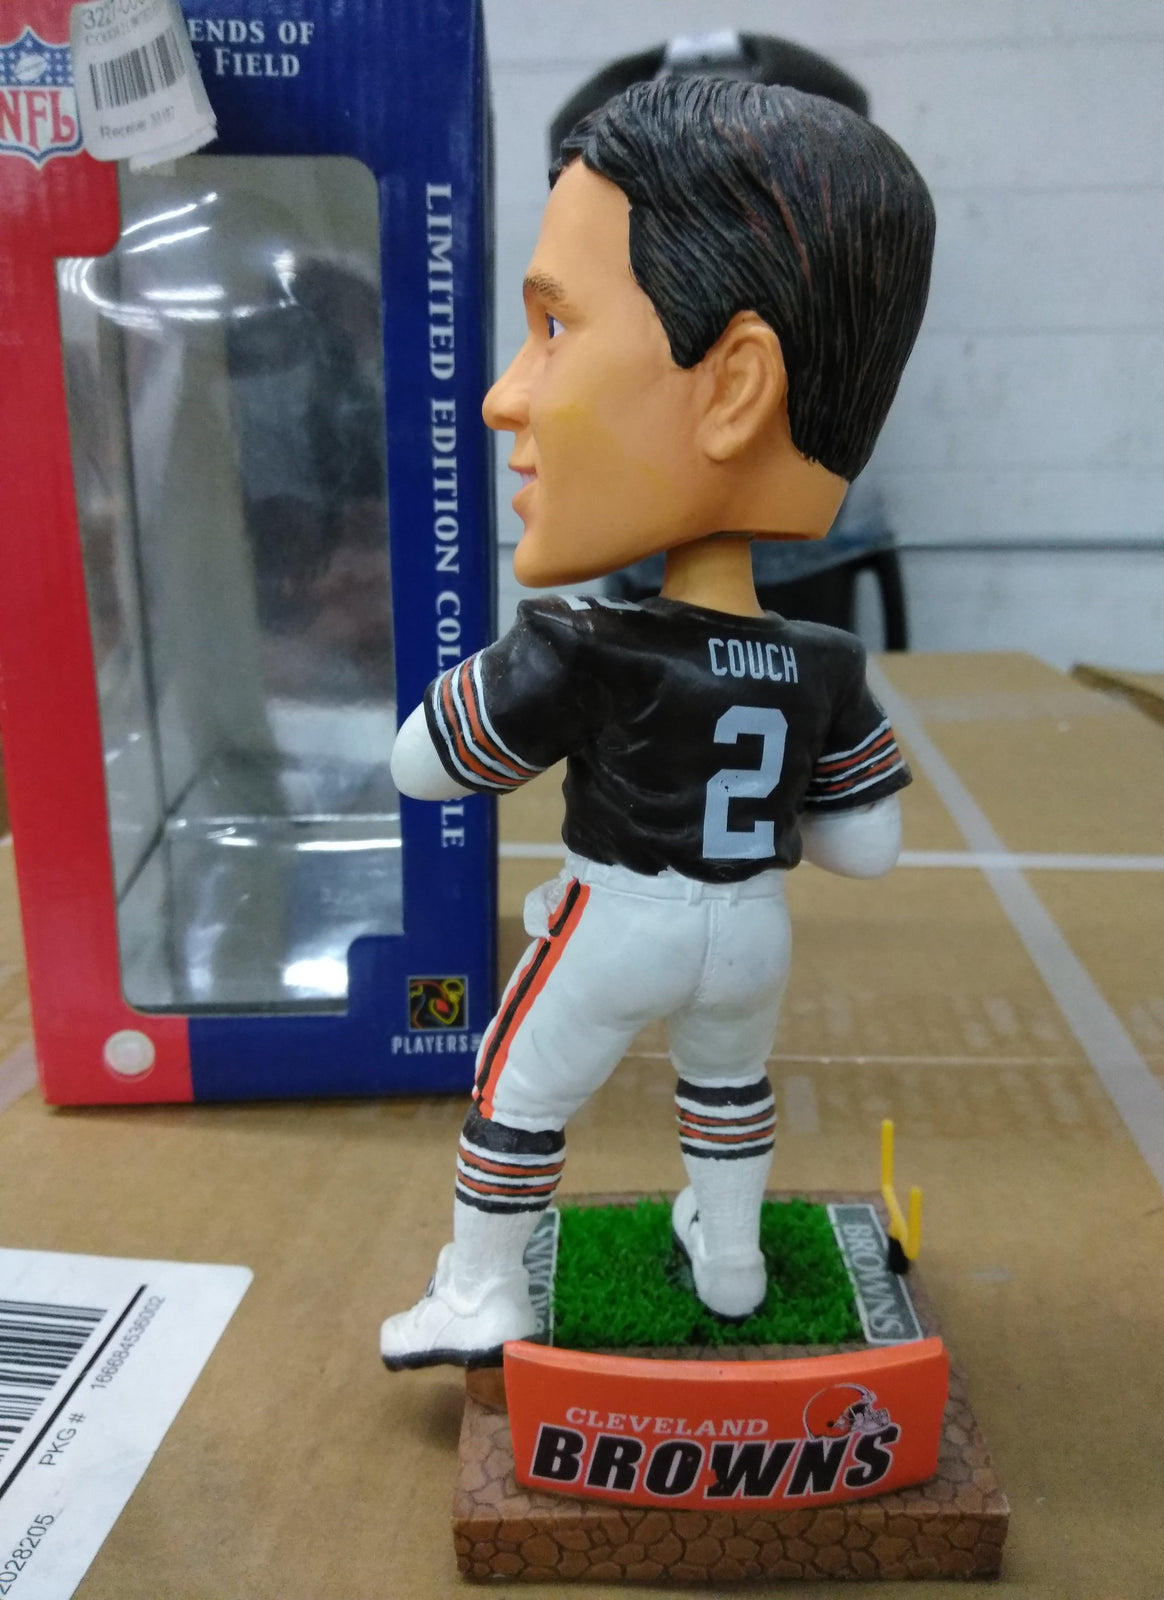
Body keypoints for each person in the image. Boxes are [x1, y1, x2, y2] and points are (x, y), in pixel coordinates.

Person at [382, 77, 935, 1369]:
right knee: (727, 1083)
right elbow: (866, 848)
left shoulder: (594, 642)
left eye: (554, 327)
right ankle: (732, 1260)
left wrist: (505, 668)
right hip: (752, 929)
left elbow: (426, 765)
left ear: (735, 386)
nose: (504, 397)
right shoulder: (823, 658)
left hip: (623, 913)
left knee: (517, 1089)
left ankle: (481, 1291)